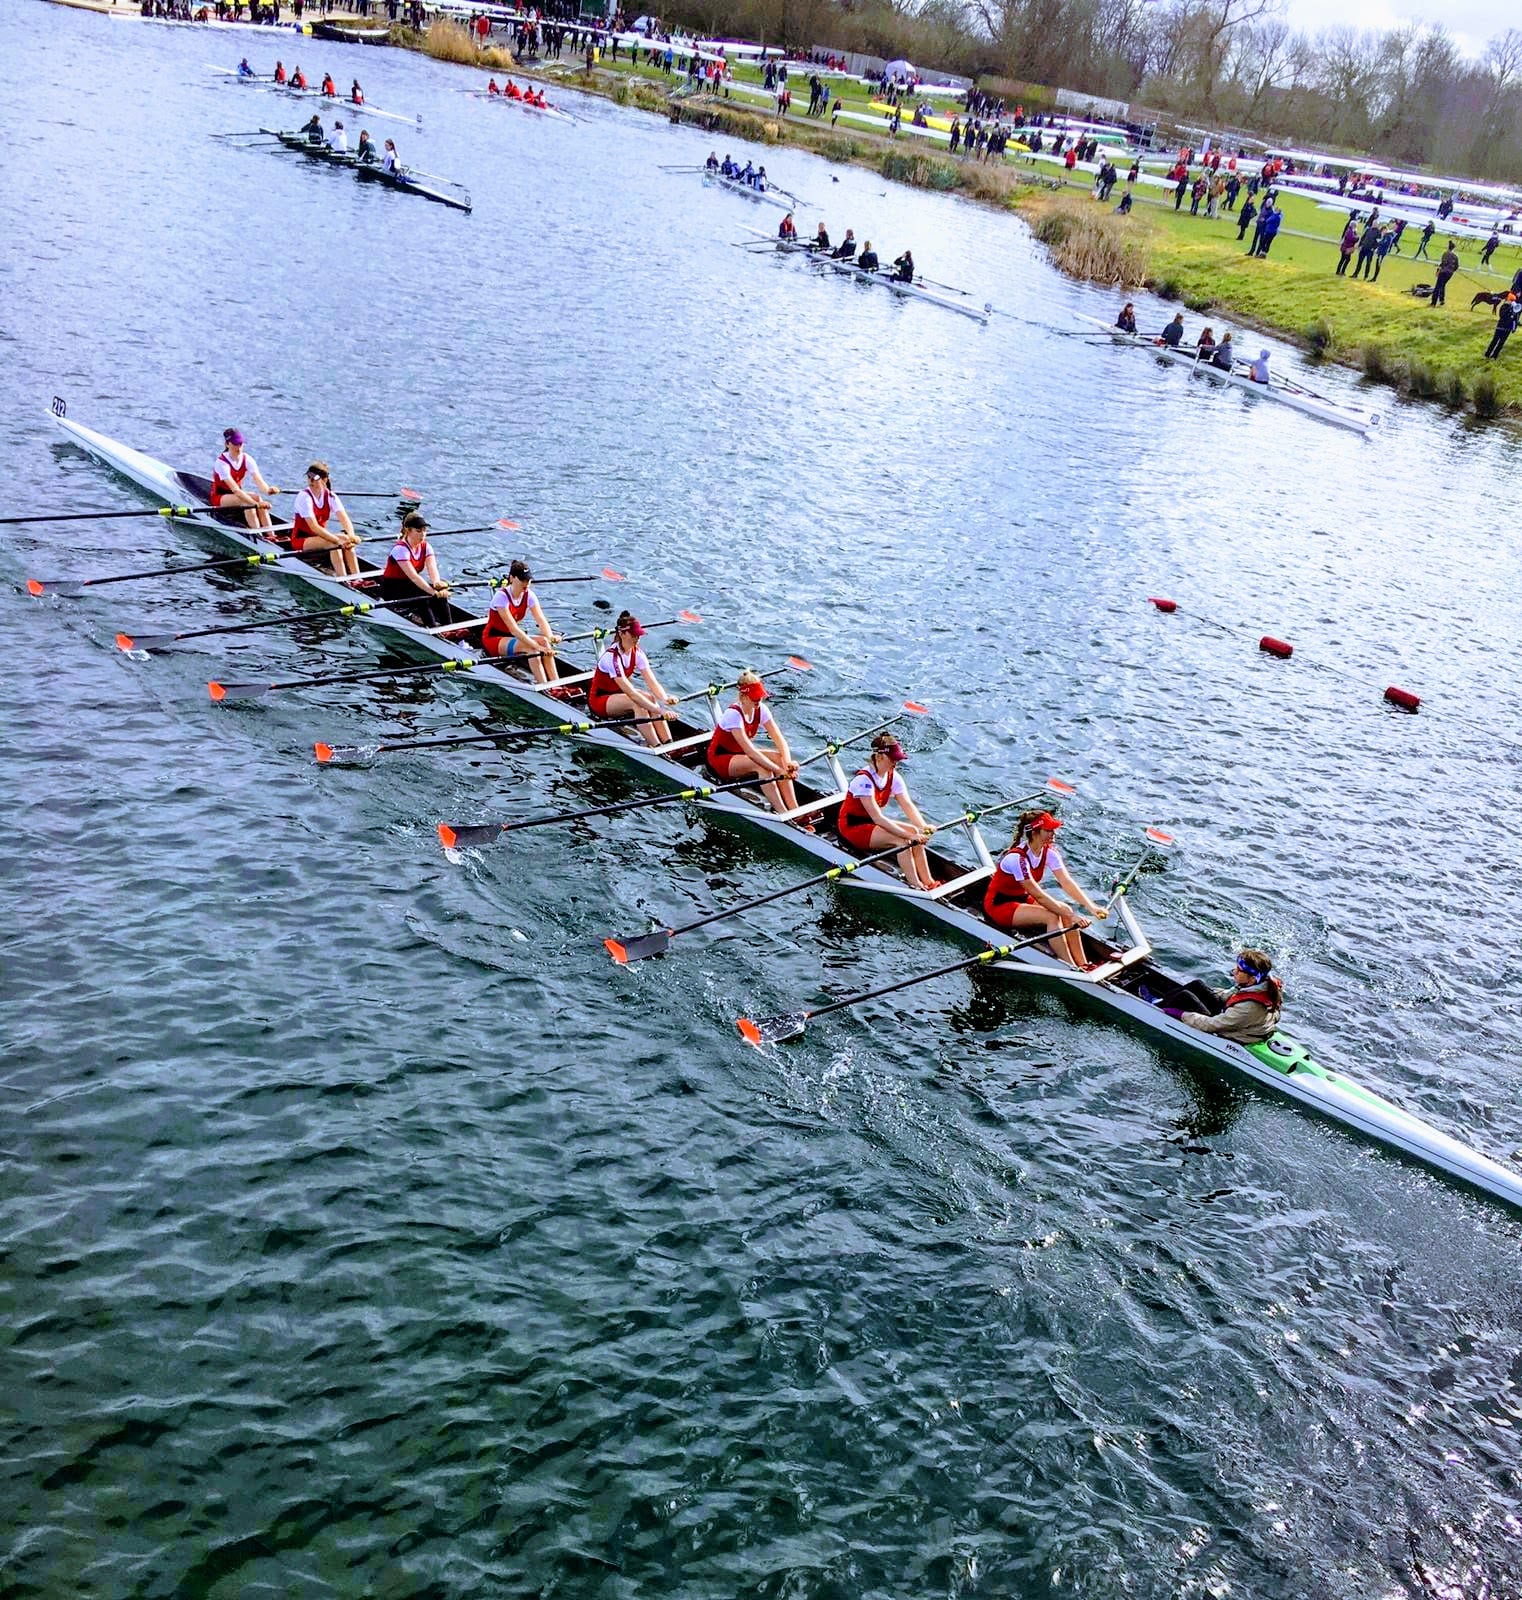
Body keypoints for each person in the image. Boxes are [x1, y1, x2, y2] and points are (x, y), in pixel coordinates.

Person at [981, 809, 1108, 968]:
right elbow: (1039, 895)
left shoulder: (1049, 852)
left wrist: (1092, 907)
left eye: (1053, 829)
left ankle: (1084, 964)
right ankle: (1070, 968)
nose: (1053, 833)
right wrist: (1072, 916)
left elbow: (1067, 882)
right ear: (1034, 832)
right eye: (1048, 830)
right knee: (1052, 917)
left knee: (1065, 909)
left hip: (1021, 899)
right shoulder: (1017, 858)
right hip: (998, 905)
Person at [834, 732, 936, 892]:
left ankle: (929, 882)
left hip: (870, 825)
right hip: (851, 829)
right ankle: (915, 886)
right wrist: (909, 837)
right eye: (893, 759)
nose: (896, 763)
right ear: (879, 757)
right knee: (903, 841)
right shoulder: (863, 781)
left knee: (914, 831)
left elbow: (907, 805)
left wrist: (923, 827)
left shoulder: (893, 777)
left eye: (898, 759)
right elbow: (878, 818)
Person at [704, 669, 800, 818]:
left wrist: (788, 764)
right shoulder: (733, 714)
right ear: (743, 696)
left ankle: (796, 812)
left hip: (738, 756)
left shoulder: (761, 709)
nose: (758, 701)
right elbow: (751, 752)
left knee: (779, 758)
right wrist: (778, 771)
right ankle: (784, 815)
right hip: (719, 760)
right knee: (763, 768)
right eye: (754, 698)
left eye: (760, 697)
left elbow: (779, 739)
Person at [586, 612, 677, 746]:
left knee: (650, 698)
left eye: (639, 634)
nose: (637, 638)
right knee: (638, 703)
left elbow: (652, 681)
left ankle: (669, 744)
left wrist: (664, 699)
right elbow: (632, 694)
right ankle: (656, 746)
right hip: (600, 701)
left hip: (618, 696)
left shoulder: (637, 653)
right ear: (622, 634)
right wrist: (661, 711)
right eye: (634, 634)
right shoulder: (611, 658)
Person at [1158, 949, 1284, 1044]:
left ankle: (1156, 1006)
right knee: (1198, 985)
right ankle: (1161, 1001)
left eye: (1239, 970)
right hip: (1241, 1022)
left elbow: (1211, 1025)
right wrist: (1207, 994)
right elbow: (1229, 997)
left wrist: (1181, 1014)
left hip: (1236, 1034)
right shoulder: (1264, 985)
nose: (1234, 971)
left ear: (1251, 978)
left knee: (1185, 997)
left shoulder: (1248, 1007)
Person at [479, 558, 561, 684]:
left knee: (544, 641)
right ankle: (545, 687)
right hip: (493, 639)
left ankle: (557, 685)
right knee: (532, 649)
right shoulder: (501, 597)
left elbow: (541, 619)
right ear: (511, 578)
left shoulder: (529, 595)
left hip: (510, 638)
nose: (526, 584)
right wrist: (537, 646)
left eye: (528, 580)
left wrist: (550, 637)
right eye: (523, 580)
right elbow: (514, 629)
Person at [289, 461, 361, 579]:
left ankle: (358, 578)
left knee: (347, 539)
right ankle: (343, 579)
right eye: (309, 477)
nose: (310, 481)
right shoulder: (304, 497)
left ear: (325, 479)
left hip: (319, 538)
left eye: (315, 478)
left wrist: (352, 536)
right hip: (301, 540)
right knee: (334, 542)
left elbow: (344, 518)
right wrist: (337, 541)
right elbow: (314, 527)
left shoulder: (331, 496)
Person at [380, 513, 451, 629]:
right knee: (423, 598)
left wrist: (437, 585)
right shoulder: (400, 549)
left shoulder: (426, 547)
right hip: (392, 590)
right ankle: (433, 629)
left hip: (409, 586)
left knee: (441, 595)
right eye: (418, 531)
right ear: (408, 531)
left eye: (424, 530)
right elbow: (414, 577)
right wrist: (433, 593)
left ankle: (449, 628)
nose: (423, 534)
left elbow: (432, 569)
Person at [209, 428, 276, 531]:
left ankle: (271, 535)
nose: (239, 447)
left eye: (241, 444)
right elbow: (236, 490)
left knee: (257, 497)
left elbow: (258, 480)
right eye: (235, 444)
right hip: (220, 497)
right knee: (248, 503)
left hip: (236, 495)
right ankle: (257, 534)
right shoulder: (221, 463)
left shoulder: (247, 459)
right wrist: (256, 505)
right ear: (227, 444)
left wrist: (268, 490)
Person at [1485, 294, 1519, 360]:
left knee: (1501, 343)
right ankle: (1487, 354)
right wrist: (1509, 308)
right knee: (1494, 341)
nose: (1512, 302)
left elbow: (1515, 319)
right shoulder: (1504, 306)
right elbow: (1501, 315)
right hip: (1500, 327)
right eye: (1511, 300)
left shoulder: (1515, 309)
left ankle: (1494, 356)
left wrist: (1514, 328)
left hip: (1507, 329)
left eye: (1513, 300)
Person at [1431, 240, 1459, 307]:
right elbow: (1456, 266)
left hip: (1443, 272)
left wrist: (1438, 270)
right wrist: (1452, 270)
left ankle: (1433, 302)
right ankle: (1442, 300)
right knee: (1442, 285)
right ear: (1454, 248)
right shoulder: (1456, 256)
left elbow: (1443, 263)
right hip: (1449, 274)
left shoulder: (1445, 253)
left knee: (1438, 287)